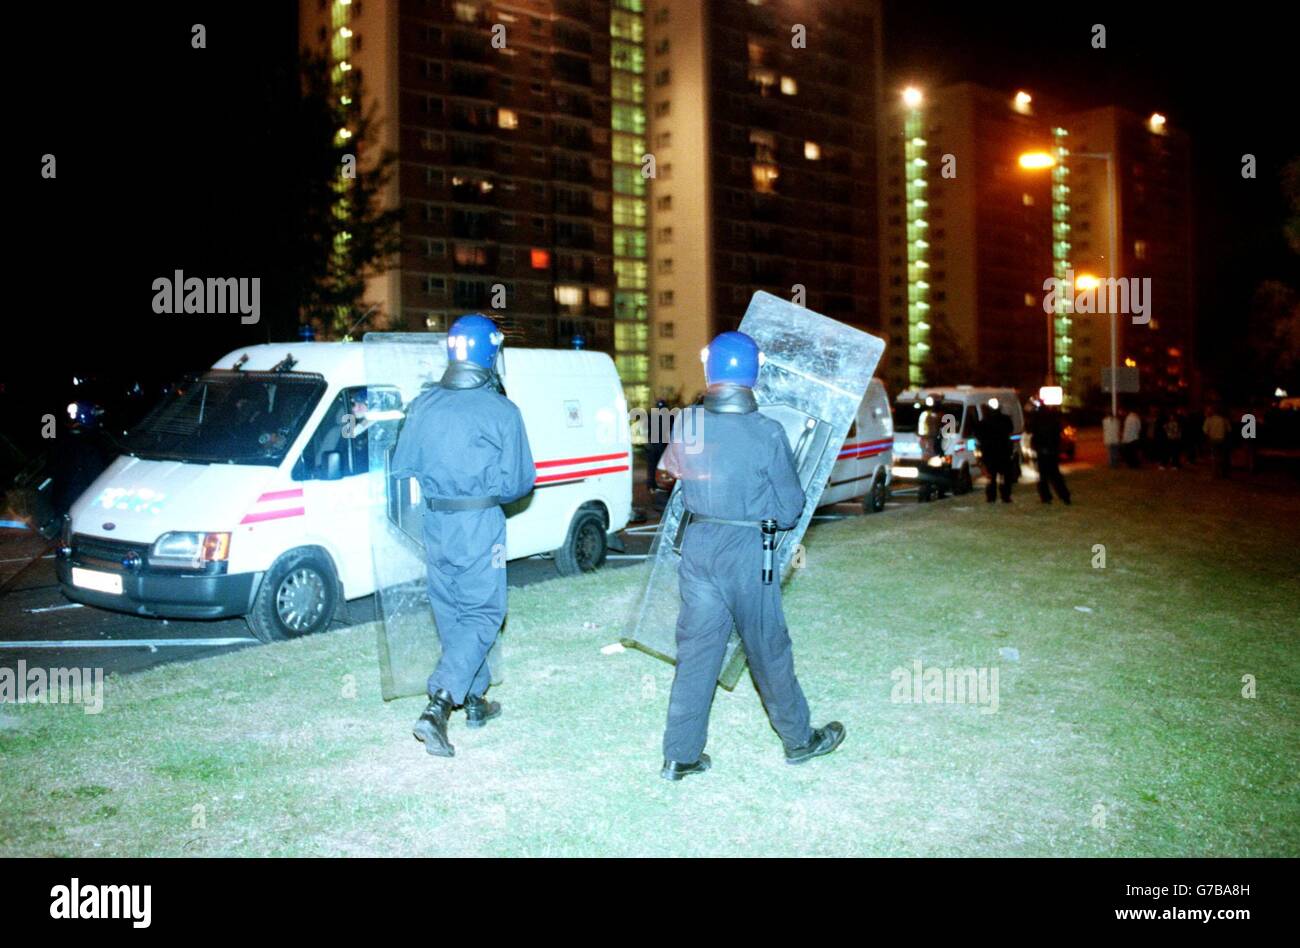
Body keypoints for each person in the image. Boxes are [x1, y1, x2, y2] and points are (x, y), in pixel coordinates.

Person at [659, 331, 843, 780]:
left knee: (697, 652)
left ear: (711, 371)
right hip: (749, 552)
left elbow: (668, 475)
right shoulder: (767, 432)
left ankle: (679, 755)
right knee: (768, 648)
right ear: (752, 374)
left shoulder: (688, 424)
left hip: (698, 548)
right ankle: (799, 741)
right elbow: (790, 507)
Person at [392, 314, 537, 758]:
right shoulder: (501, 411)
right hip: (478, 524)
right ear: (490, 352)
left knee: (452, 610)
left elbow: (401, 467)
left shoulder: (424, 405)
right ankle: (439, 704)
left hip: (435, 524)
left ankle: (475, 699)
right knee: (484, 613)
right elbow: (519, 484)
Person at [974, 397, 1015, 503]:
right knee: (1004, 477)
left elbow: (978, 435)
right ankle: (1005, 496)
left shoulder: (984, 422)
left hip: (990, 454)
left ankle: (992, 497)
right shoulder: (1005, 420)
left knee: (992, 477)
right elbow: (1010, 430)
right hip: (1003, 453)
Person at [1030, 404, 1071, 504]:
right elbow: (1059, 433)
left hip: (1042, 452)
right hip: (1052, 451)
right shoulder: (1054, 421)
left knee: (1043, 476)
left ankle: (1046, 497)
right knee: (1055, 475)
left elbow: (1033, 433)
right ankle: (1064, 496)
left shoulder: (1037, 421)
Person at [1204, 404, 1231, 478]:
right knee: (1223, 456)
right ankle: (1223, 473)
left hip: (1213, 439)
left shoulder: (1209, 419)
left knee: (1214, 457)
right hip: (1222, 439)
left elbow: (1205, 430)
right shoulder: (1224, 419)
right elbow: (1229, 430)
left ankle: (1215, 473)